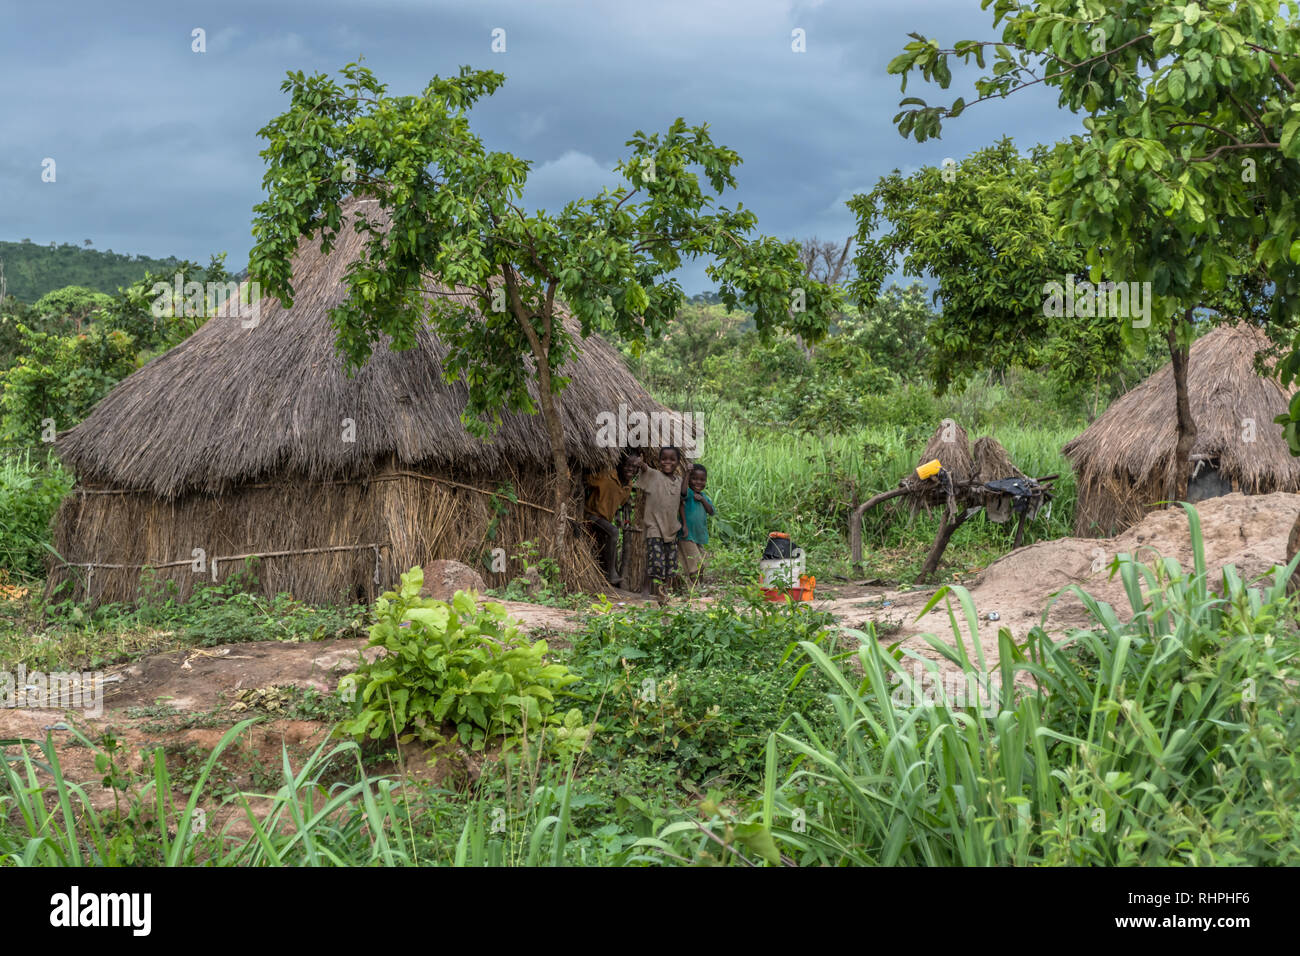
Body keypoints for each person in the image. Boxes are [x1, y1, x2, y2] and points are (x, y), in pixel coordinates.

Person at [634, 446, 685, 601]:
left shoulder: (680, 481)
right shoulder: (654, 475)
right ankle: (646, 590)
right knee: (655, 560)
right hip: (654, 526)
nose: (667, 462)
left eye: (672, 459)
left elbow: (684, 494)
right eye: (664, 459)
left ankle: (665, 591)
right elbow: (645, 468)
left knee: (671, 564)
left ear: (677, 462)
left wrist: (688, 473)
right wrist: (640, 463)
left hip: (672, 528)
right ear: (659, 460)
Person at [585, 456, 636, 585]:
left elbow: (620, 502)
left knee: (608, 539)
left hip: (604, 520)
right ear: (620, 465)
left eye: (634, 467)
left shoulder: (628, 485)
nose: (630, 469)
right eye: (627, 465)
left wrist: (618, 517)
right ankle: (611, 573)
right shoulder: (607, 476)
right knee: (614, 532)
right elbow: (586, 480)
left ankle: (606, 572)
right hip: (591, 515)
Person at [677, 463, 714, 583]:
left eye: (702, 480)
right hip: (687, 535)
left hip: (699, 537)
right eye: (694, 479)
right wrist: (687, 473)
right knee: (695, 564)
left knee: (702, 564)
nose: (698, 482)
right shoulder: (688, 493)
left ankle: (699, 586)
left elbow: (711, 511)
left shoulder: (704, 496)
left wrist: (702, 500)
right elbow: (682, 493)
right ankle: (696, 589)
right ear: (689, 480)